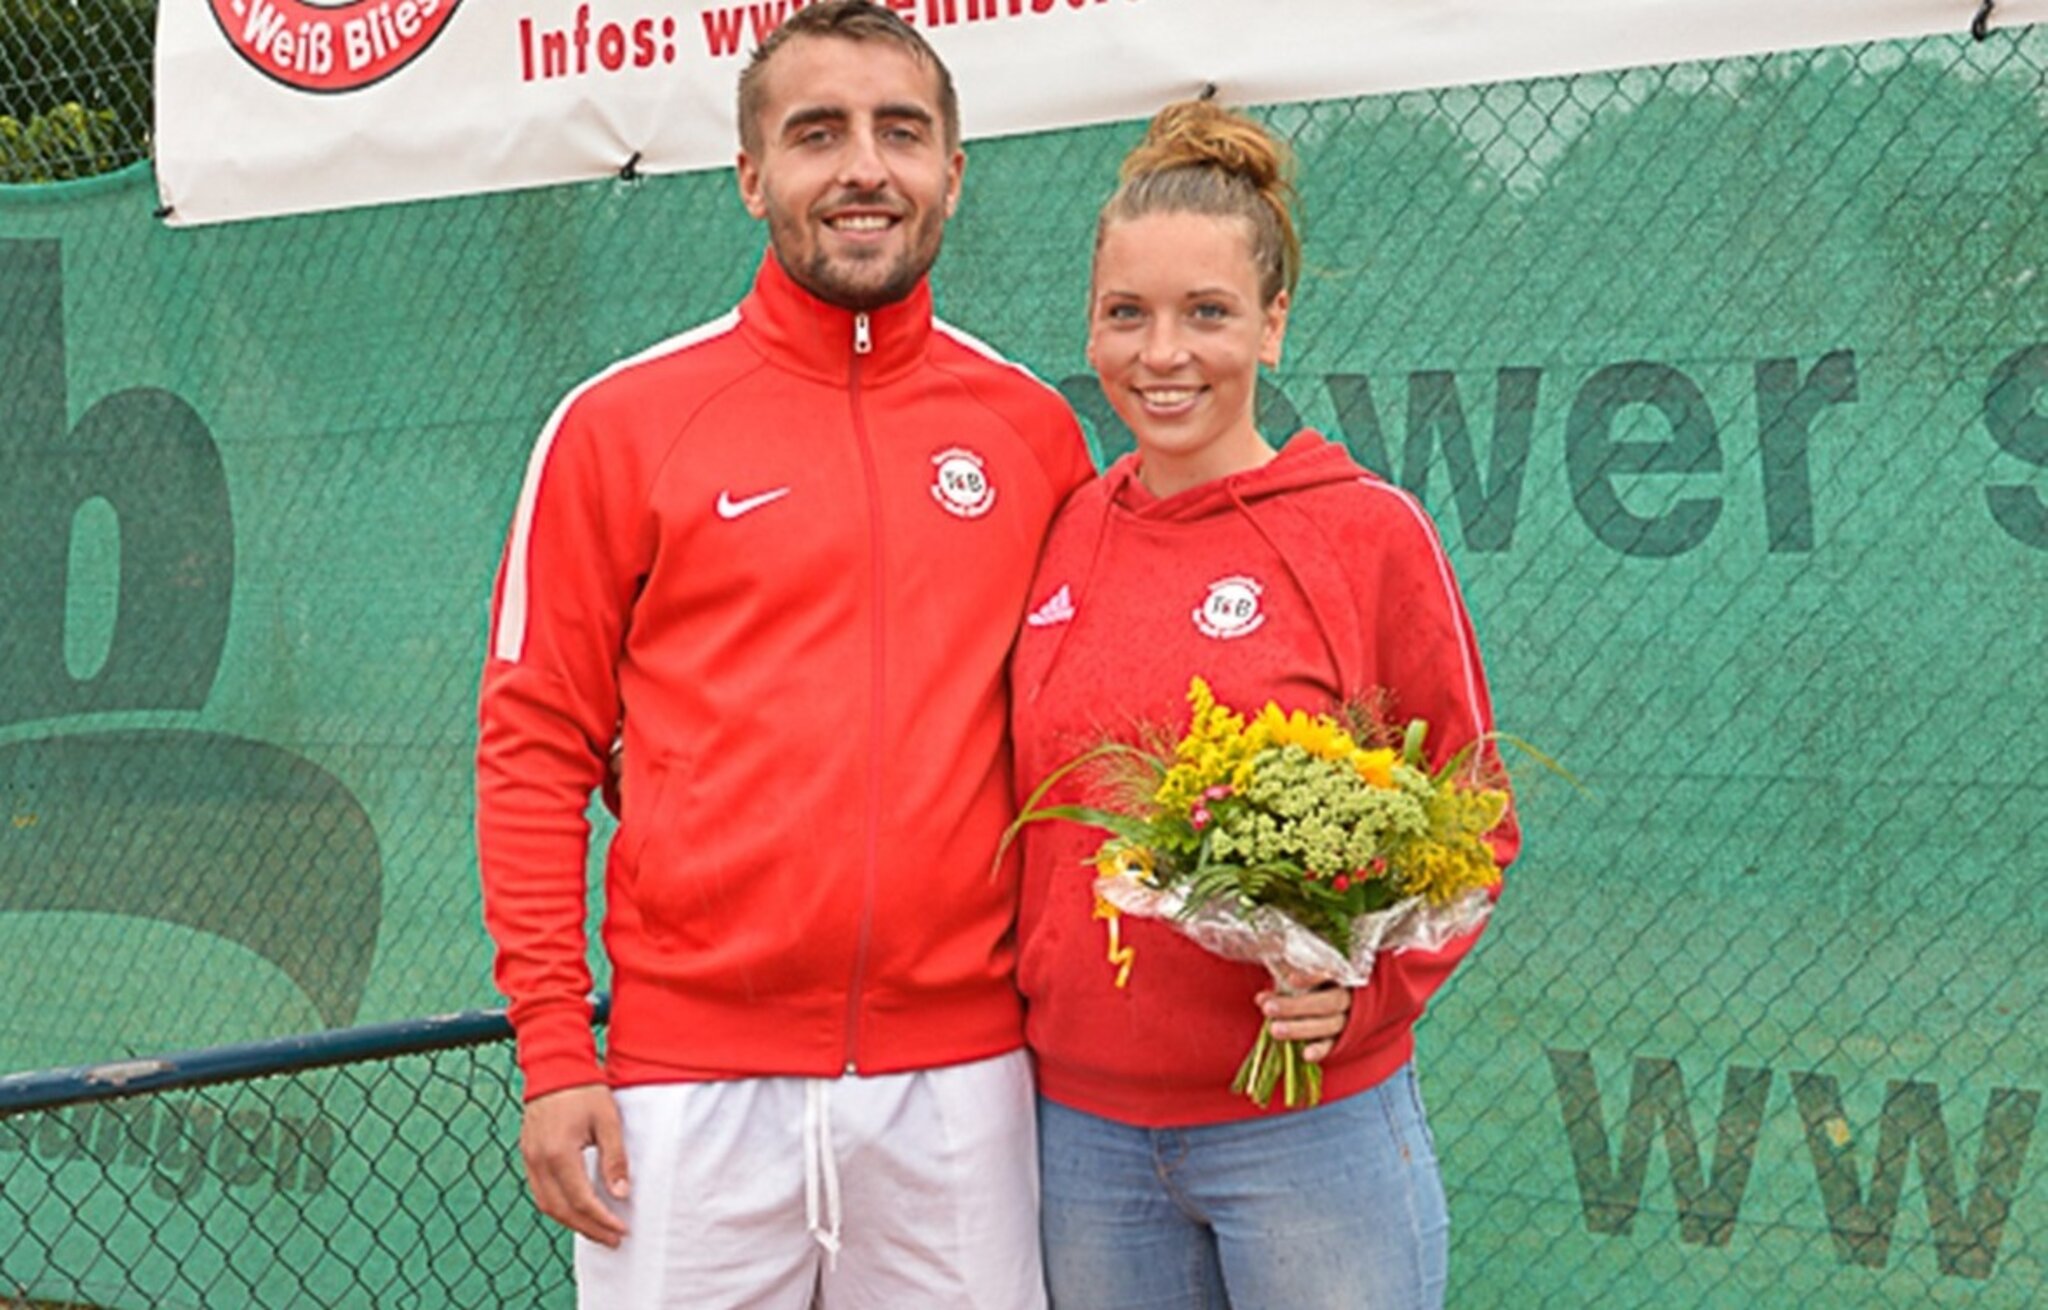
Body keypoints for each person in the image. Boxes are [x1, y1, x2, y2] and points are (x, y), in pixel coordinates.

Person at [475, 3, 1093, 1305]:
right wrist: (552, 1050)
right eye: (818, 133)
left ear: (953, 175)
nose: (864, 166)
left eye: (900, 132)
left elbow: (1082, 753)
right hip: (683, 1087)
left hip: (965, 1083)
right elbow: (533, 749)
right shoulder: (618, 425)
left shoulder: (1035, 435)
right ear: (752, 174)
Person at [1008, 100, 1520, 1310]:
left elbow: (1472, 822)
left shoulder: (1363, 532)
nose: (1161, 352)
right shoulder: (1067, 526)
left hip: (1305, 1122)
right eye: (1125, 313)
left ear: (1274, 323)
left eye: (1207, 314)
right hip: (1079, 1132)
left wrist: (1361, 990)